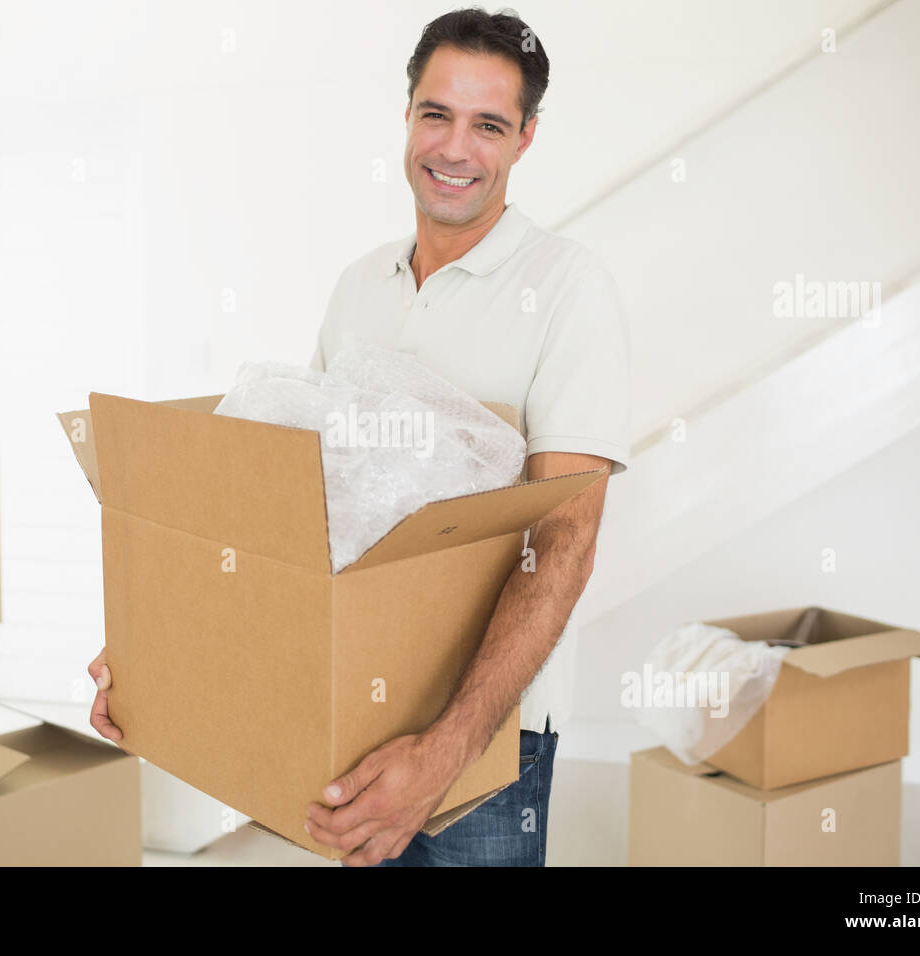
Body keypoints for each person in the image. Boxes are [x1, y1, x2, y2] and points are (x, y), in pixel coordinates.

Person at [88, 5, 630, 868]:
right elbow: (292, 500)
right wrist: (164, 637)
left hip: (488, 739)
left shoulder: (567, 287)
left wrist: (446, 749)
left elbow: (564, 536)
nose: (455, 149)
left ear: (526, 137)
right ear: (407, 114)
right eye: (436, 113)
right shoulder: (359, 287)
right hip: (342, 702)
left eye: (488, 124)